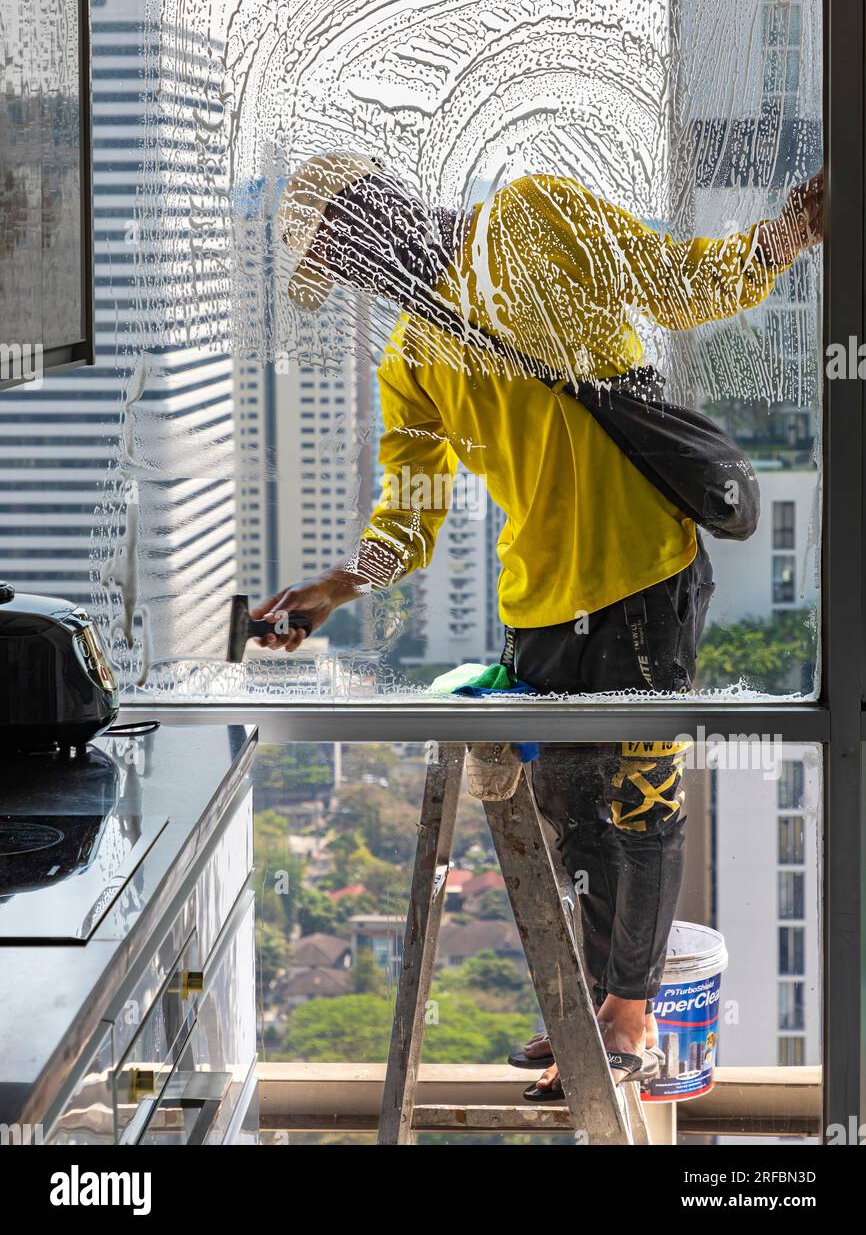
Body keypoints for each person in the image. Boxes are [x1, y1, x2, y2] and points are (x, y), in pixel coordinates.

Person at [255, 151, 823, 1090]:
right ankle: (596, 1004)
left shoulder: (533, 215)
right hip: (541, 610)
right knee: (571, 822)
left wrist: (791, 233)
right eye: (348, 266)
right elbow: (412, 513)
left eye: (352, 247)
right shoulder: (411, 358)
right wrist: (332, 588)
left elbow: (679, 286)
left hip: (643, 574)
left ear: (384, 207)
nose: (365, 272)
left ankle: (628, 1017)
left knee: (642, 804)